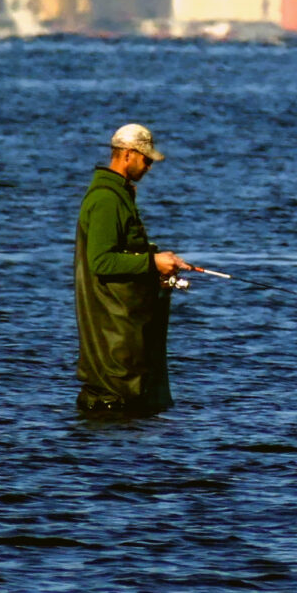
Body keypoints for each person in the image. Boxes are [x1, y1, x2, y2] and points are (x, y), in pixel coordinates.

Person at [74, 122, 194, 417]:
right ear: (127, 155)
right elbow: (101, 261)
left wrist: (158, 261)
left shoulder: (119, 195)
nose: (150, 167)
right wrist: (152, 263)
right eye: (146, 159)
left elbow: (125, 251)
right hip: (112, 337)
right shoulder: (105, 199)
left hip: (125, 328)